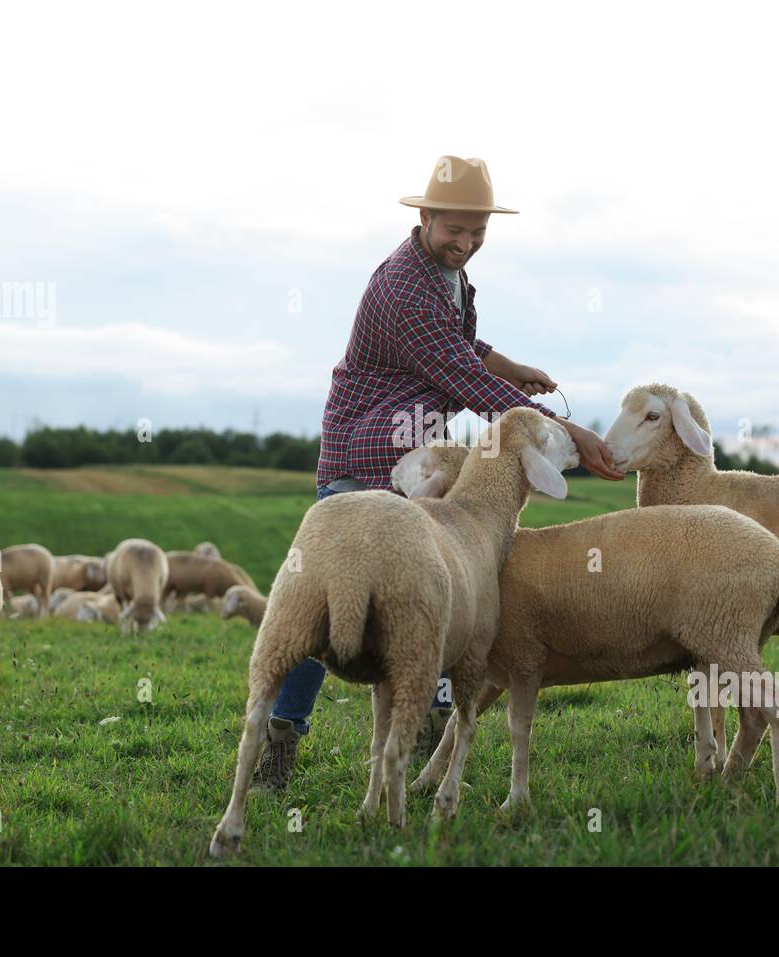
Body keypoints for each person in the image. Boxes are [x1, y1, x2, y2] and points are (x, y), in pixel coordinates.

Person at [253, 155, 623, 791]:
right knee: (317, 612)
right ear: (425, 217)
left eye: (478, 232)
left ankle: (427, 727)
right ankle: (280, 746)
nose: (467, 244)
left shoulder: (446, 275)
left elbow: (468, 352)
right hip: (367, 458)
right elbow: (462, 377)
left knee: (432, 593)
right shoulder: (406, 287)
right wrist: (570, 433)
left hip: (409, 458)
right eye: (455, 230)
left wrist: (513, 369)